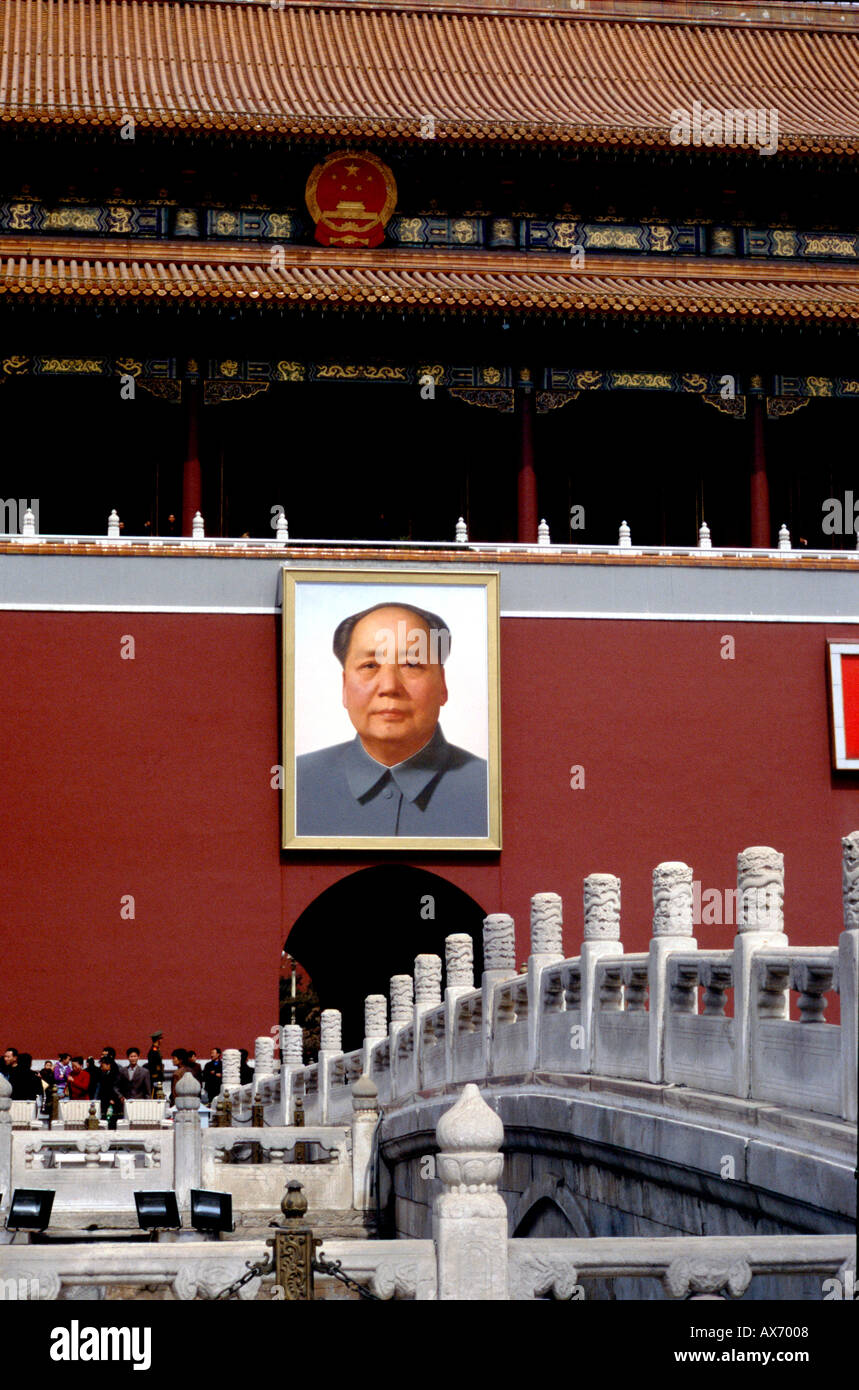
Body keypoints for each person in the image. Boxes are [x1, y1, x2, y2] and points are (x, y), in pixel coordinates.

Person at [295, 603, 488, 837]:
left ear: (442, 685)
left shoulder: (490, 789)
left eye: (411, 664)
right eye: (370, 666)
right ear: (345, 686)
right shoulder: (295, 785)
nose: (389, 687)